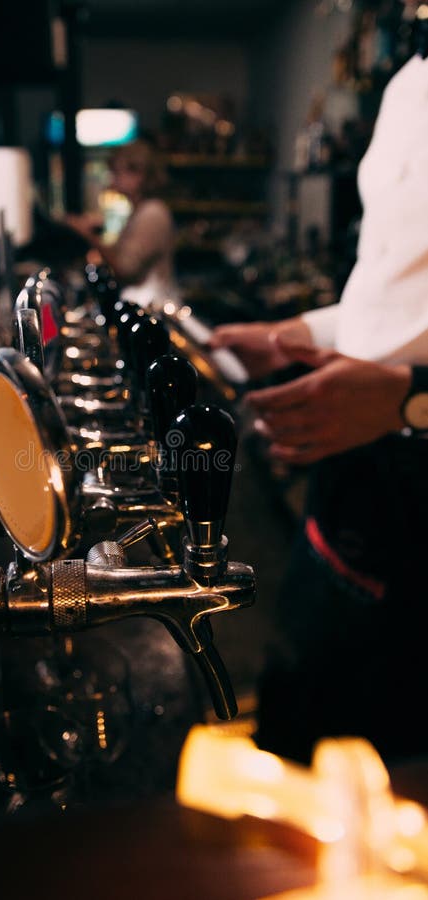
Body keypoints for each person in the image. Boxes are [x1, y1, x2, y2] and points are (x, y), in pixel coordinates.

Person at [208, 36, 428, 766]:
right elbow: (399, 297)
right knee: (307, 713)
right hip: (358, 461)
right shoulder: (407, 81)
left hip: (407, 443)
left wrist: (408, 401)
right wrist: (291, 333)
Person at [65, 138, 179, 308]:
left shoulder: (152, 213)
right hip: (146, 307)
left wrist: (88, 235)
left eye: (117, 172)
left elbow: (126, 269)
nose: (112, 178)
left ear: (139, 174)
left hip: (153, 309)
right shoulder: (141, 210)